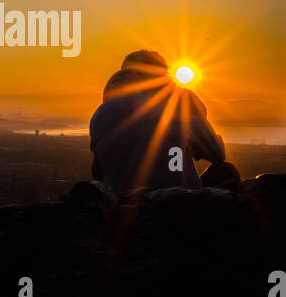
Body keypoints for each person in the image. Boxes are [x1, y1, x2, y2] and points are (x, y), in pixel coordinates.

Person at [88, 50, 238, 194]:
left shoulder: (99, 115)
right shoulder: (179, 100)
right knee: (225, 171)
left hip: (122, 203)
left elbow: (98, 173)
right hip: (178, 201)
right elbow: (217, 154)